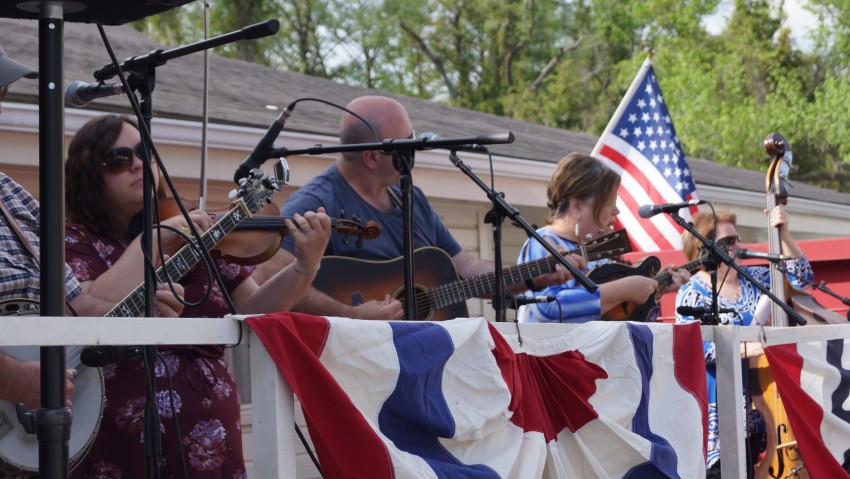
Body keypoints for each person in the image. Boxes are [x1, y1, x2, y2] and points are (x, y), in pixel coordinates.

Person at [63, 114, 331, 478]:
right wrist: (154, 240)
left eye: (144, 153)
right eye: (118, 160)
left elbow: (253, 306)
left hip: (210, 435)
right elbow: (88, 306)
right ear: (89, 175)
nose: (138, 164)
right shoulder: (75, 240)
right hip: (120, 437)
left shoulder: (187, 223)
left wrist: (306, 264)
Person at [252, 95, 582, 320]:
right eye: (406, 145)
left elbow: (466, 269)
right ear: (371, 157)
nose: (414, 153)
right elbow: (267, 279)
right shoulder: (316, 202)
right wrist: (351, 314)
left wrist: (535, 276)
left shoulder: (411, 198)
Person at [0, 46, 184, 413]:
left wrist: (143, 313)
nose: (1, 108)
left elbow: (78, 305)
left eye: (1, 94)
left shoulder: (10, 194)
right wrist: (10, 378)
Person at [674, 209, 812, 477]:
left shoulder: (756, 278)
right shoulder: (691, 292)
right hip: (722, 405)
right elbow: (696, 348)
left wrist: (783, 234)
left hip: (762, 405)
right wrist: (750, 347)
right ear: (705, 249)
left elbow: (801, 277)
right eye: (729, 241)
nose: (738, 245)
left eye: (737, 238)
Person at [517, 152, 690, 323]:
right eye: (608, 204)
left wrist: (654, 290)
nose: (616, 211)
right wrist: (621, 290)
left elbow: (615, 315)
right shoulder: (544, 242)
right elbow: (547, 307)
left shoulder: (598, 250)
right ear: (576, 207)